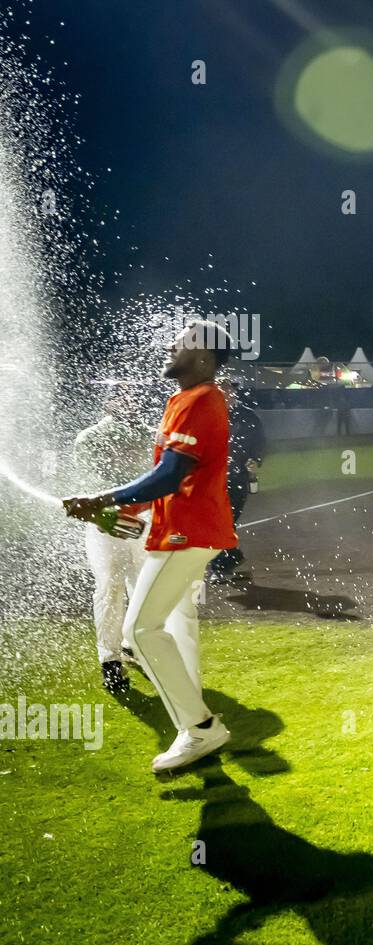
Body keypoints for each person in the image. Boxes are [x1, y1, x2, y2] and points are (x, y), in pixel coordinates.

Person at [62, 321, 238, 773]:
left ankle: (199, 728)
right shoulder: (183, 399)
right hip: (176, 531)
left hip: (189, 533)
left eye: (179, 345)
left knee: (141, 629)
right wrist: (117, 510)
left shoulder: (201, 400)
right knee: (168, 621)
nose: (169, 349)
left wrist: (104, 499)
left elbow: (170, 474)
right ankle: (195, 714)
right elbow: (164, 479)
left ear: (202, 356)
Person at [72, 388, 154, 693]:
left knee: (141, 586)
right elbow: (91, 482)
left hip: (143, 520)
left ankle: (131, 643)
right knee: (110, 588)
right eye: (119, 396)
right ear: (106, 402)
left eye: (130, 395)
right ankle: (110, 660)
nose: (127, 401)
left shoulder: (150, 433)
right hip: (107, 522)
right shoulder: (90, 437)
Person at [208, 377, 265, 582]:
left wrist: (255, 460)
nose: (225, 393)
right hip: (211, 479)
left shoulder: (248, 417)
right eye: (220, 389)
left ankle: (226, 562)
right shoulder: (208, 416)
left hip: (237, 478)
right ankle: (226, 561)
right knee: (220, 521)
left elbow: (260, 443)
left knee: (226, 520)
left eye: (227, 389)